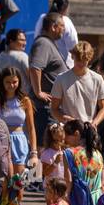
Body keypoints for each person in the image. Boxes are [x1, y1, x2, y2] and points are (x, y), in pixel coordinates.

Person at [28, 13, 70, 144]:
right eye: (62, 26)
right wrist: (38, 91)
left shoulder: (48, 43)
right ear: (53, 27)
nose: (64, 29)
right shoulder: (43, 43)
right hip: (44, 110)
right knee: (46, 150)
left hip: (51, 109)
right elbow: (35, 67)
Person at [52, 42, 104, 129]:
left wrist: (94, 123)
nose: (81, 63)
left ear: (90, 59)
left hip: (88, 131)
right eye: (78, 59)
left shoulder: (97, 79)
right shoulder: (61, 78)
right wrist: (64, 119)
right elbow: (54, 108)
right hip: (68, 131)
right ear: (72, 56)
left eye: (85, 60)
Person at [0, 66, 39, 180]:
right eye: (8, 82)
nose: (11, 85)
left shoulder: (25, 100)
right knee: (4, 184)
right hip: (1, 142)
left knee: (18, 185)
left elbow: (31, 128)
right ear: (2, 82)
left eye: (14, 82)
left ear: (19, 81)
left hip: (19, 143)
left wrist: (34, 152)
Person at [0, 28, 33, 98]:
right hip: (21, 100)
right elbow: (31, 77)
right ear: (11, 41)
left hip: (2, 100)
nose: (25, 43)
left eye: (25, 40)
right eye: (22, 40)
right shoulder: (23, 56)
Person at [33, 0, 78, 67]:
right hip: (63, 67)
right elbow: (74, 46)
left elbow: (36, 38)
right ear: (65, 8)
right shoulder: (66, 21)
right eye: (61, 26)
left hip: (44, 64)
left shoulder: (42, 18)